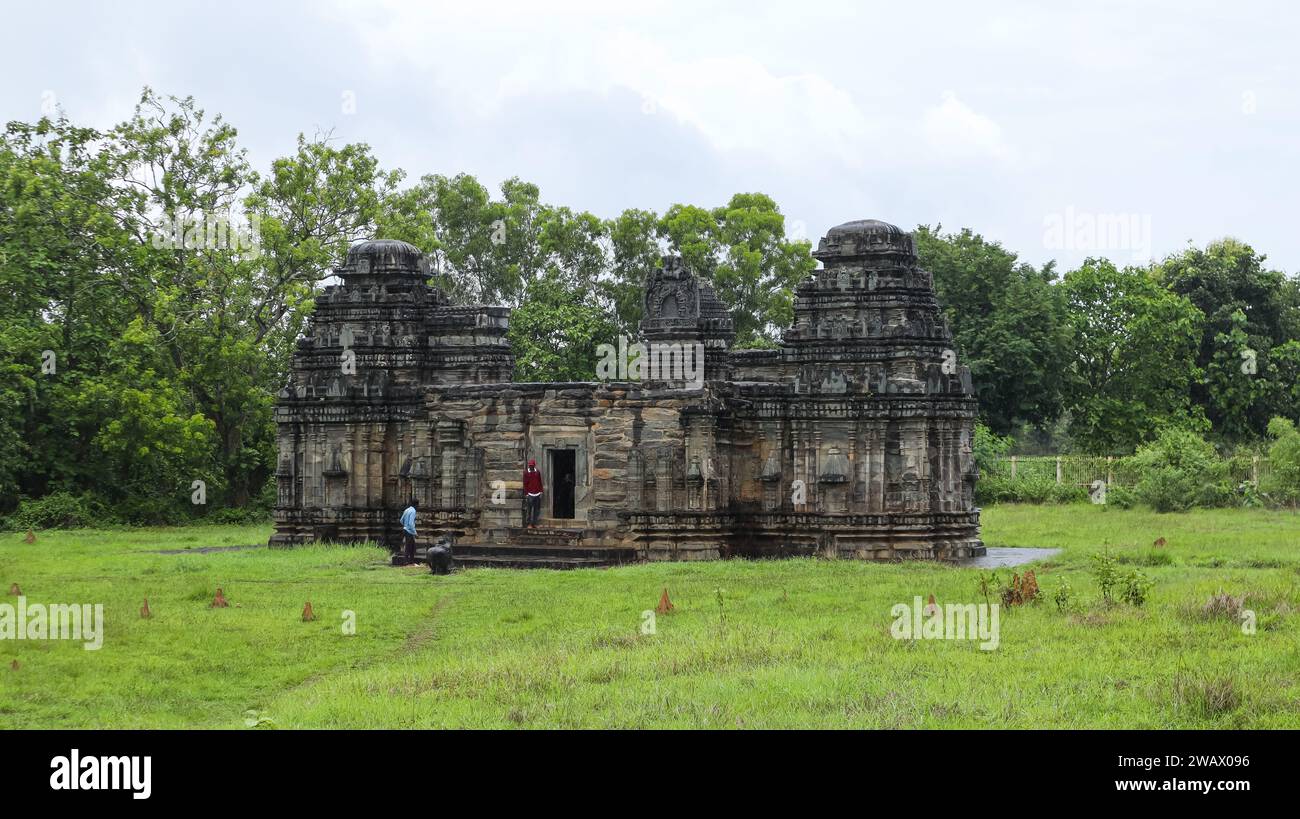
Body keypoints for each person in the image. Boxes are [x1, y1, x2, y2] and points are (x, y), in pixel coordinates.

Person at [523, 459, 543, 528]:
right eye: (530, 466)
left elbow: (540, 482)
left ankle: (535, 523)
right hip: (530, 494)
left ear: (534, 466)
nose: (531, 467)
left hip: (537, 493)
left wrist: (541, 491)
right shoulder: (526, 473)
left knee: (536, 510)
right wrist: (526, 494)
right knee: (529, 510)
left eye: (532, 465)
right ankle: (529, 523)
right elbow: (525, 484)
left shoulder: (537, 472)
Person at [400, 498, 418, 562]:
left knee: (412, 546)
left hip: (405, 529)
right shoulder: (413, 511)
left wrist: (405, 526)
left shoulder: (406, 510)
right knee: (409, 546)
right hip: (409, 531)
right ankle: (406, 561)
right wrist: (415, 533)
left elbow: (401, 520)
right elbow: (411, 523)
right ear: (416, 505)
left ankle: (410, 561)